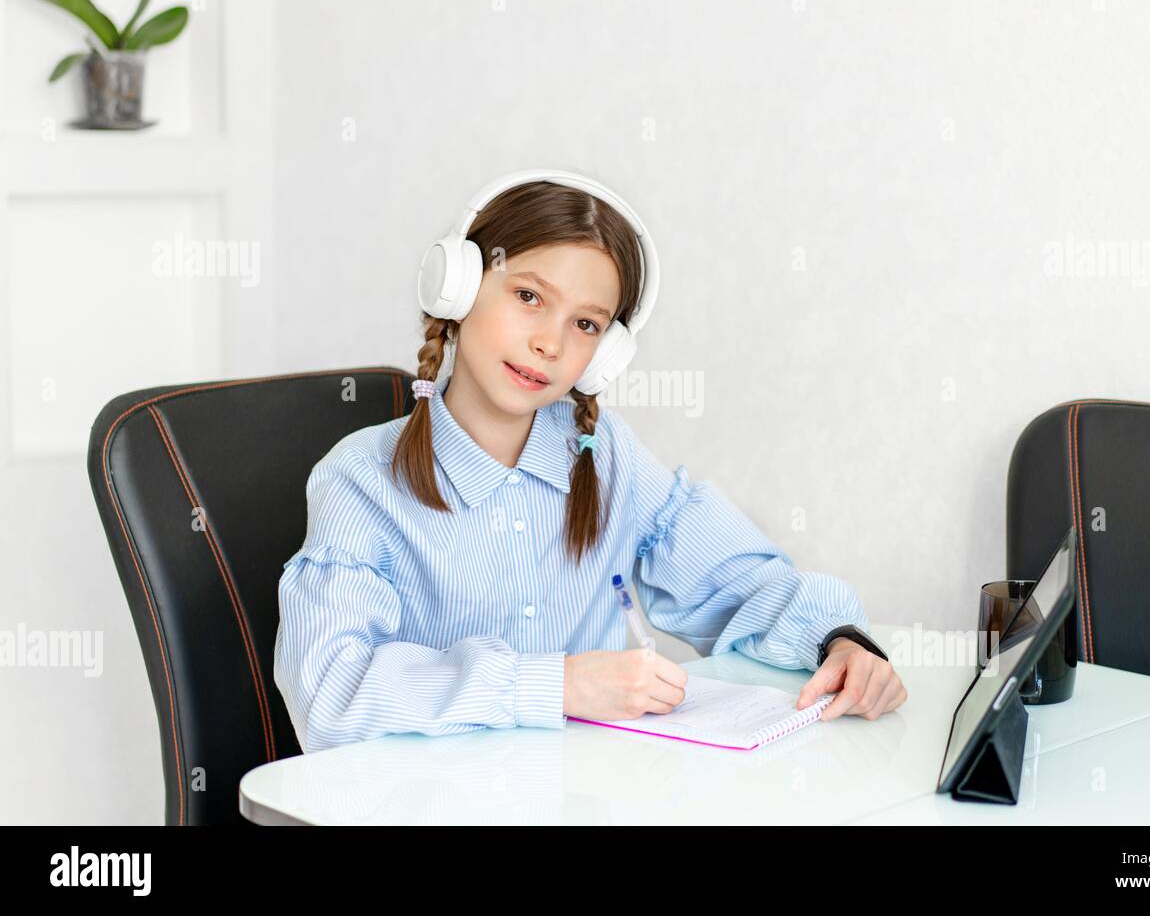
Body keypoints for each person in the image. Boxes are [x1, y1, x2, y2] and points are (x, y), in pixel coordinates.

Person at [274, 171, 907, 753]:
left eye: (584, 324)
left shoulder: (604, 456)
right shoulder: (360, 480)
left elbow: (739, 582)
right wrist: (555, 685)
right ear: (458, 286)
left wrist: (838, 640)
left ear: (606, 353)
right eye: (528, 295)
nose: (549, 341)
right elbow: (330, 690)